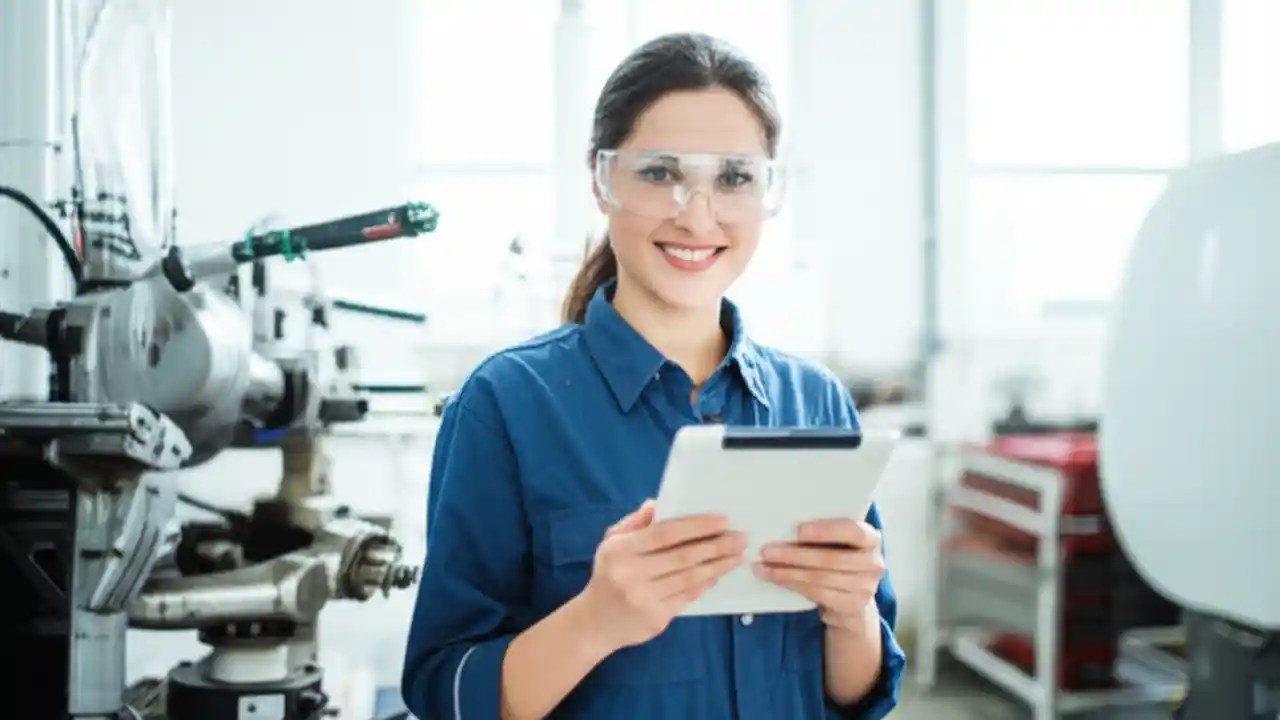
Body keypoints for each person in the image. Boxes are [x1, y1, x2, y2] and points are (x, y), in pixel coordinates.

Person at [401, 32, 905, 719]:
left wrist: (851, 615)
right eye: (661, 172)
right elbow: (444, 691)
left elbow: (854, 695)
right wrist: (595, 622)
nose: (697, 215)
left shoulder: (814, 402)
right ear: (602, 180)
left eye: (733, 177)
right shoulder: (507, 405)